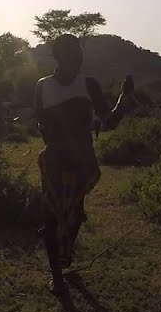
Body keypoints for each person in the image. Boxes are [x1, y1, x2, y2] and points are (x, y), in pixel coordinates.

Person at [34, 34, 137, 294]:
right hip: (55, 162)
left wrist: (123, 102)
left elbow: (109, 122)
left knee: (76, 215)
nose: (77, 60)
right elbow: (40, 124)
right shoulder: (42, 86)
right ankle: (57, 275)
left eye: (78, 55)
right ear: (58, 57)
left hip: (81, 161)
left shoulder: (89, 85)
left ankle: (64, 256)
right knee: (51, 216)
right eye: (71, 55)